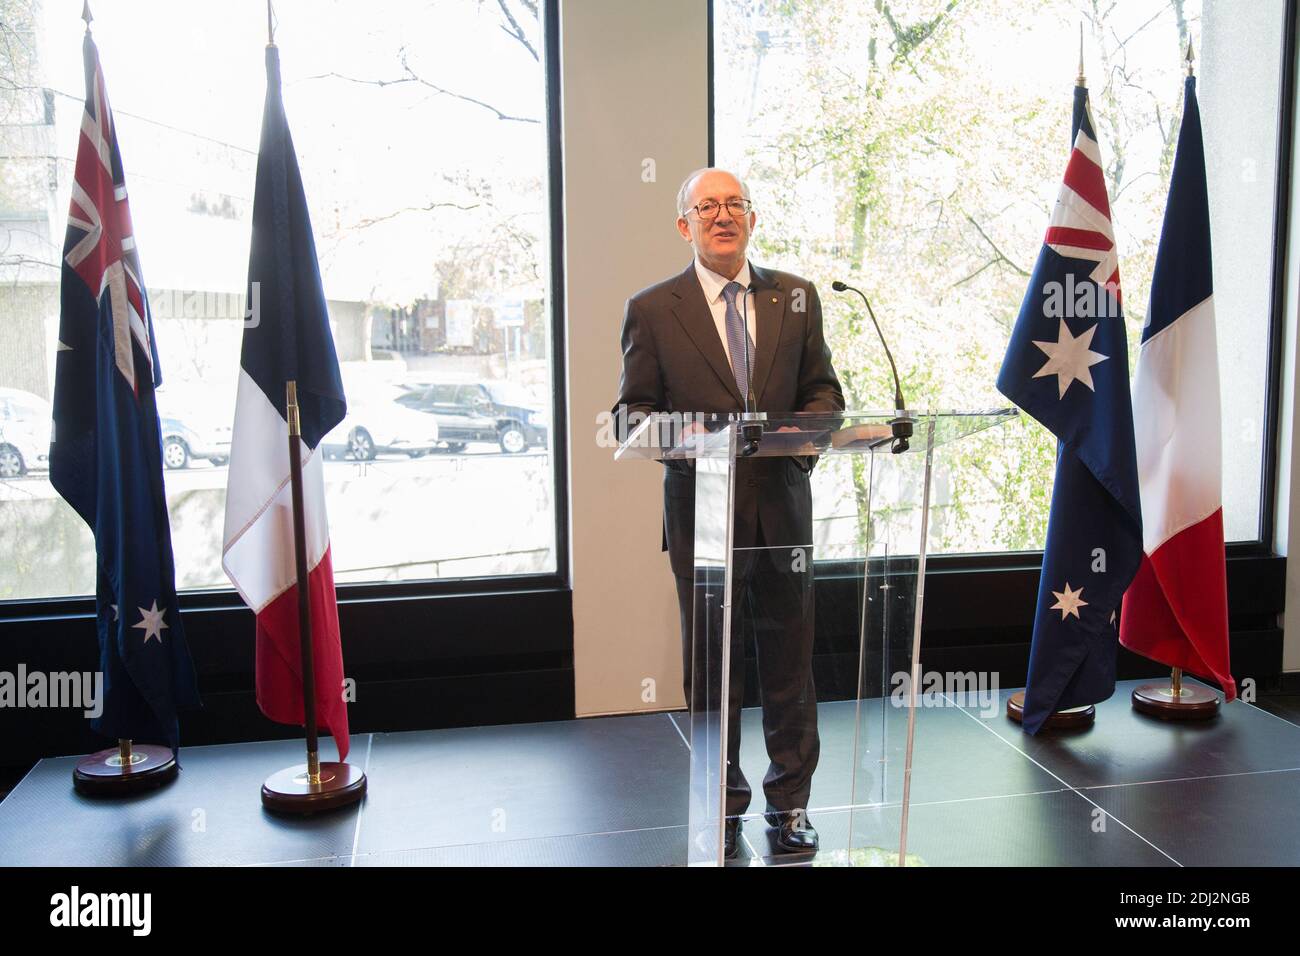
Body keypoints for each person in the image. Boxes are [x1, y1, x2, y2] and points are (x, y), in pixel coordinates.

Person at [612, 167, 844, 858]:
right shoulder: (654, 309)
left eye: (734, 204)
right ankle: (723, 804)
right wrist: (698, 446)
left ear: (751, 219)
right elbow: (633, 414)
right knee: (716, 674)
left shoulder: (795, 298)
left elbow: (824, 393)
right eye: (706, 206)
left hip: (783, 513)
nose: (722, 215)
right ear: (685, 224)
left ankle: (792, 805)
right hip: (703, 518)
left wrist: (795, 449)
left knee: (789, 669)